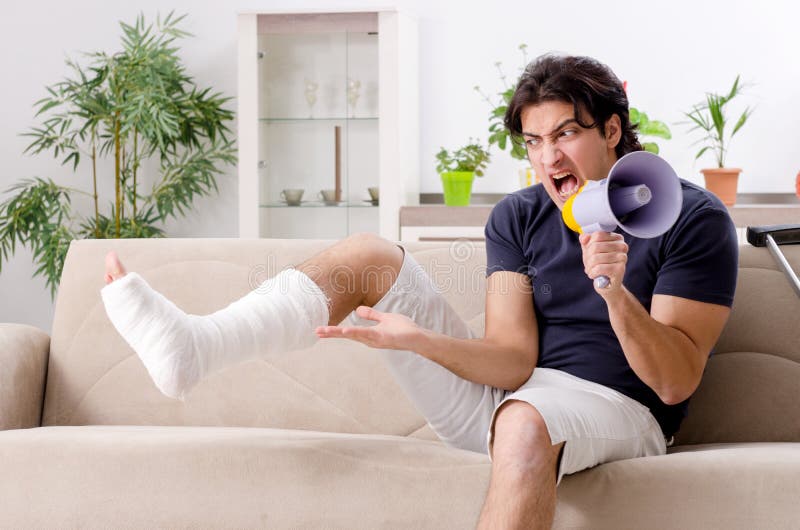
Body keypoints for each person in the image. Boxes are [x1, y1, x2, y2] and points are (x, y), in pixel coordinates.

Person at [101, 53, 738, 529]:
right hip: (516, 394)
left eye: (566, 134)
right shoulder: (517, 216)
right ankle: (197, 346)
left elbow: (675, 382)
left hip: (621, 410)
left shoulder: (691, 215)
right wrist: (423, 342)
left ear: (612, 130)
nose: (548, 160)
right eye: (533, 142)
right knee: (372, 255)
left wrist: (613, 292)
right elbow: (513, 360)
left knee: (522, 424)